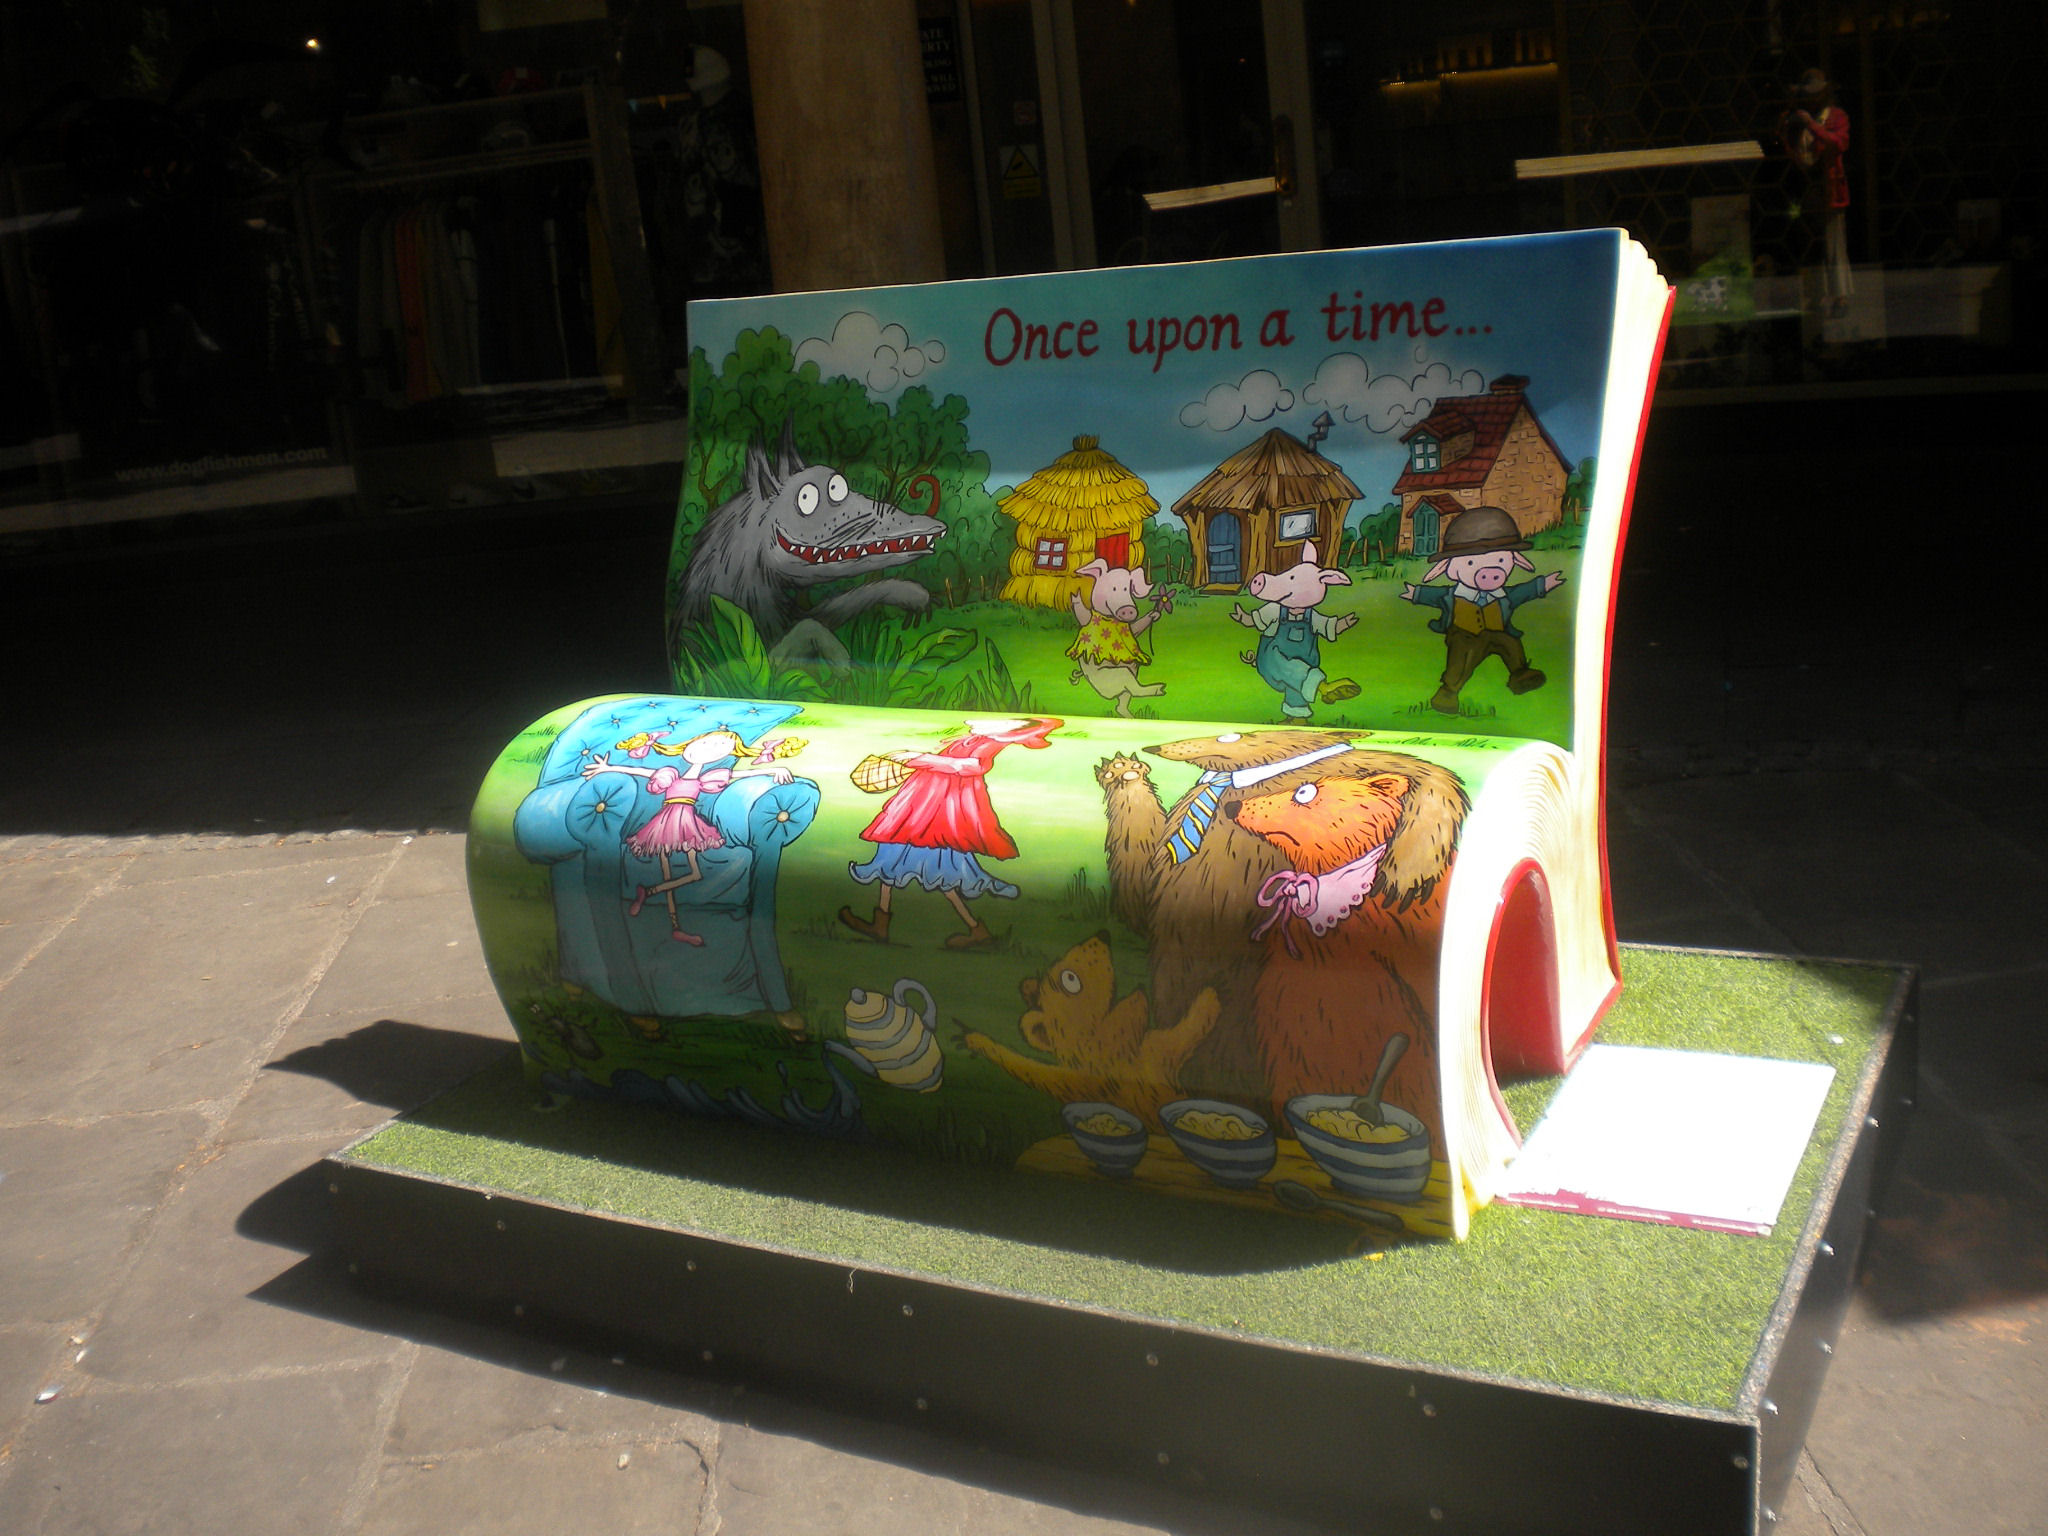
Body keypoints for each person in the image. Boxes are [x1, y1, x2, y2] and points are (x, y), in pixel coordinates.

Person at [839, 716, 1061, 949]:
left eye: (1011, 725)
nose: (1003, 723)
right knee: (898, 857)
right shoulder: (974, 738)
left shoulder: (990, 743)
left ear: (1014, 732)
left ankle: (975, 930)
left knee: (938, 869)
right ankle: (883, 923)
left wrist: (916, 758)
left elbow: (972, 766)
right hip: (921, 802)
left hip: (936, 810)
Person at [1779, 68, 1852, 314]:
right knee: (1812, 247)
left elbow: (1838, 142)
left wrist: (1811, 125)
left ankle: (1840, 297)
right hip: (1807, 192)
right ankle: (1817, 296)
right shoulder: (1800, 119)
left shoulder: (1836, 117)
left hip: (1830, 190)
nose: (1812, 99)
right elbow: (1797, 155)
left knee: (1834, 245)